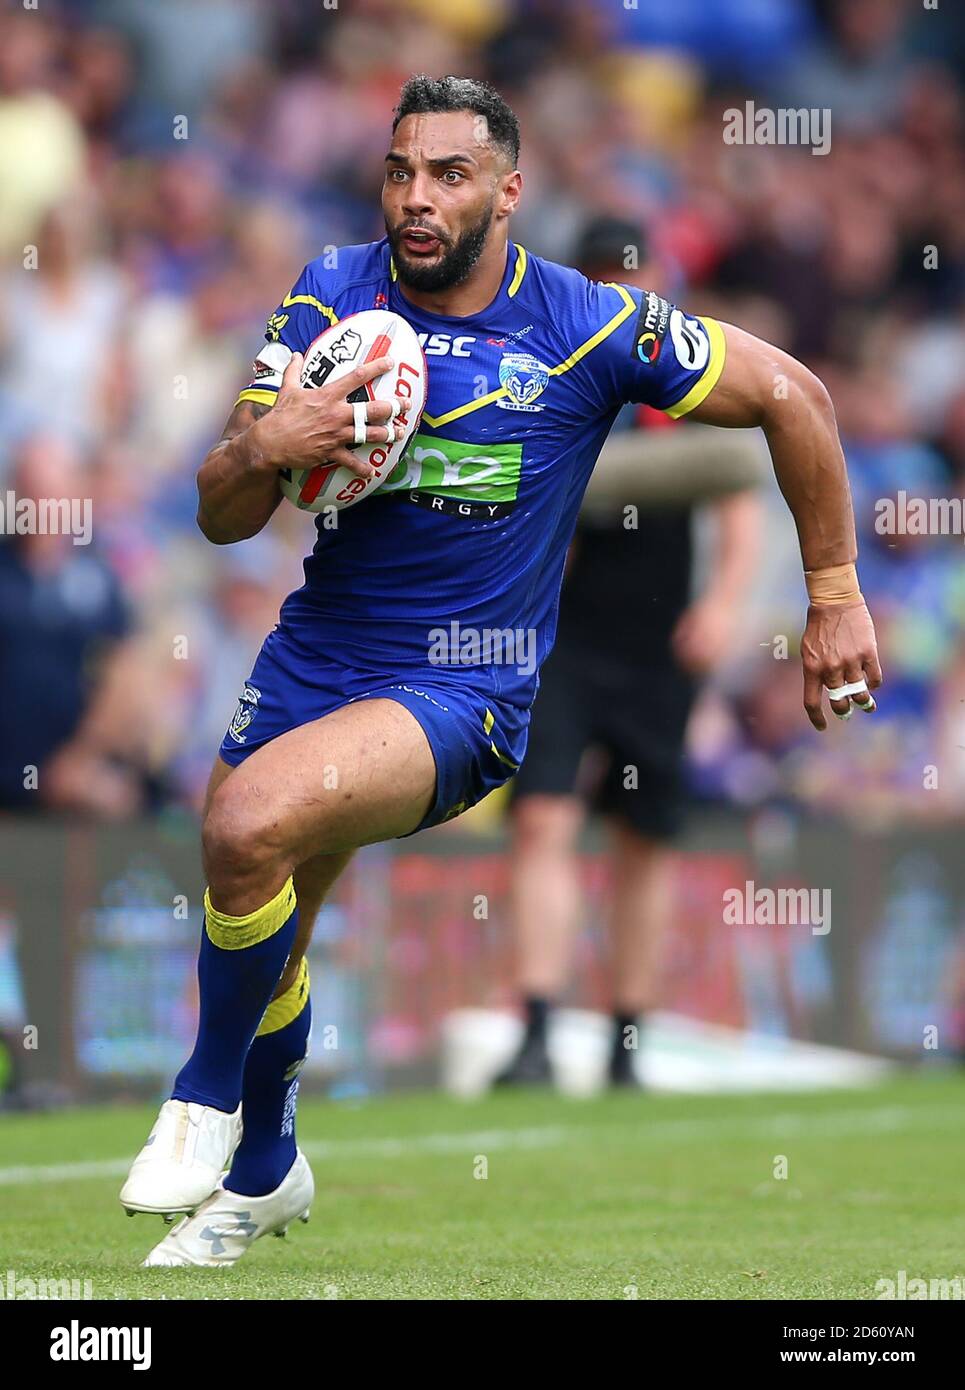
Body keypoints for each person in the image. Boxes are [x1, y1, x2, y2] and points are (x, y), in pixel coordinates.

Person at [120, 75, 882, 1268]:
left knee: (248, 824)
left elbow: (796, 395)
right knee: (269, 906)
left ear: (508, 192)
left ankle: (199, 1101)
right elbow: (222, 515)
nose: (415, 199)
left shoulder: (586, 323)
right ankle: (265, 1171)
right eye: (398, 172)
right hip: (315, 652)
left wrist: (832, 592)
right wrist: (267, 443)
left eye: (448, 175)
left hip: (459, 691)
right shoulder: (328, 290)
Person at [498, 216, 762, 1088]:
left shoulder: (686, 383)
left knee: (642, 839)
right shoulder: (552, 386)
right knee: (542, 817)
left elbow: (736, 500)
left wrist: (724, 605)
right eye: (605, 280)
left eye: (633, 278)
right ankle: (536, 1027)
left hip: (657, 647)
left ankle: (626, 1040)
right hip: (561, 640)